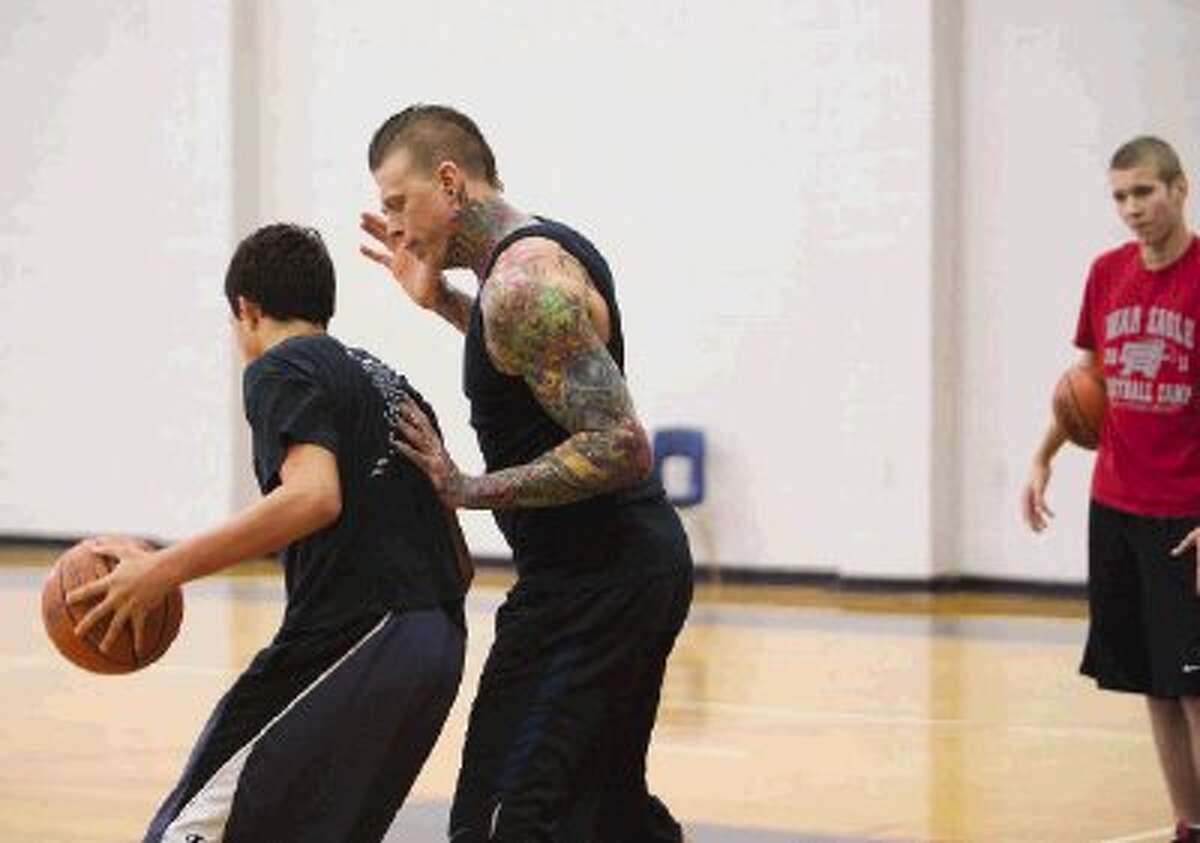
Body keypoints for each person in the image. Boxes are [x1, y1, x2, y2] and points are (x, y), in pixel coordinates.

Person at [69, 223, 472, 842]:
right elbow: (458, 552)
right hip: (439, 645)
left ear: (246, 311)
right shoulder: (389, 381)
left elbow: (312, 497)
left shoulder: (280, 367)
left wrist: (162, 568)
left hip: (359, 635)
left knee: (189, 827)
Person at [360, 104, 694, 842]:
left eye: (397, 204)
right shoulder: (515, 274)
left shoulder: (522, 285)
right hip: (598, 575)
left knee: (506, 822)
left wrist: (463, 487)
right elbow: (531, 372)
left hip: (601, 584)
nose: (396, 230)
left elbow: (619, 445)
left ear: (448, 181)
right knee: (606, 810)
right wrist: (446, 304)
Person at [1022, 136, 1200, 843]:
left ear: (1179, 188)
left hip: (1184, 513)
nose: (1132, 209)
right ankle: (1188, 821)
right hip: (1117, 504)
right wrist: (1043, 458)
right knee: (1154, 683)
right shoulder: (1105, 274)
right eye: (1120, 196)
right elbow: (1088, 386)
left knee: (1194, 686)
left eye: (1144, 193)